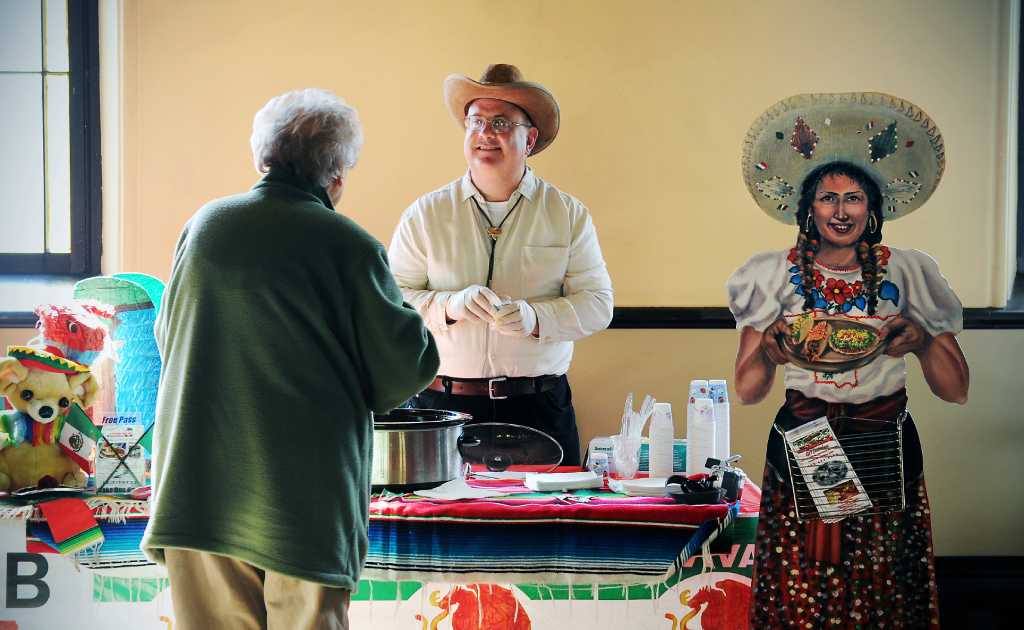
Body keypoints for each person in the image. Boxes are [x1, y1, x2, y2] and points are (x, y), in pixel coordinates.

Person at [142, 89, 440, 630]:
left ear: (262, 159)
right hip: (300, 504)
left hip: (198, 490)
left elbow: (169, 337)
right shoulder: (349, 245)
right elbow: (403, 370)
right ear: (338, 174)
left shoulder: (205, 227)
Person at [728, 92, 969, 629]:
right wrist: (770, 347)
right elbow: (746, 391)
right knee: (804, 585)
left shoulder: (910, 272)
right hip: (803, 444)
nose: (841, 211)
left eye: (854, 198)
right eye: (828, 198)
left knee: (880, 586)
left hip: (883, 446)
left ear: (873, 208)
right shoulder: (770, 275)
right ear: (807, 208)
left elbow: (957, 390)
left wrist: (926, 340)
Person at [388, 64, 613, 466]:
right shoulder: (425, 214)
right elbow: (390, 305)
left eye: (500, 123)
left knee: (548, 526)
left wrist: (535, 318)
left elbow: (598, 304)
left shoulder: (567, 214)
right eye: (475, 122)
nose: (485, 134)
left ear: (529, 139)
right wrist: (448, 307)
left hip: (539, 406)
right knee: (446, 529)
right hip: (443, 406)